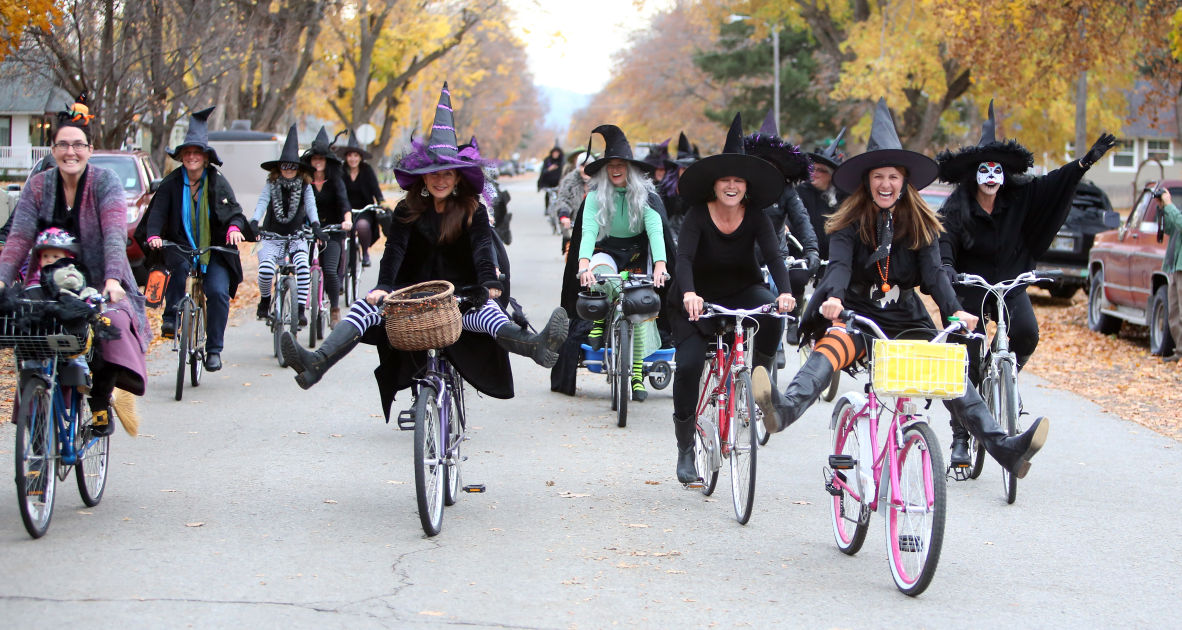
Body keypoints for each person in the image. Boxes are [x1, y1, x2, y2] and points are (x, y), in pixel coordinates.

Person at [752, 98, 1049, 481]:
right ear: (867, 182)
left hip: (907, 318)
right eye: (878, 177)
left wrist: (955, 310)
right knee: (830, 350)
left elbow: (936, 274)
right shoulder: (848, 222)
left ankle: (1006, 449)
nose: (885, 184)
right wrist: (836, 300)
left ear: (904, 181)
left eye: (893, 177)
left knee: (952, 373)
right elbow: (839, 265)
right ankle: (782, 409)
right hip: (858, 313)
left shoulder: (922, 224)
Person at [279, 82, 568, 409]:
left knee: (489, 313)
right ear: (423, 177)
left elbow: (483, 251)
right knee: (364, 308)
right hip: (409, 297)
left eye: (447, 173)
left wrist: (488, 283)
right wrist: (383, 287)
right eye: (434, 173)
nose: (440, 179)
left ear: (458, 177)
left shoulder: (474, 210)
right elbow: (394, 252)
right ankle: (316, 363)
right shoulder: (406, 209)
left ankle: (537, 346)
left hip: (459, 298)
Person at [936, 99, 1115, 466]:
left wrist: (1084, 162)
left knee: (1028, 333)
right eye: (983, 170)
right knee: (962, 359)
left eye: (996, 170)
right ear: (974, 175)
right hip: (968, 290)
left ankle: (1005, 379)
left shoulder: (1019, 197)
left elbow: (1053, 185)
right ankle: (959, 436)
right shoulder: (957, 207)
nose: (990, 177)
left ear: (1004, 175)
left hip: (1009, 286)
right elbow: (943, 244)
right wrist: (948, 271)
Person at [0, 103, 149, 437]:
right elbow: (19, 237)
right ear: (52, 150)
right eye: (63, 145)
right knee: (28, 329)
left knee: (112, 324)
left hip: (99, 280)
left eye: (78, 145)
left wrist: (113, 280)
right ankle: (36, 422)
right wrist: (2, 278)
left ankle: (99, 401)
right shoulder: (38, 186)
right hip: (45, 281)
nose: (71, 151)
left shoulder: (105, 182)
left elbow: (113, 235)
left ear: (89, 150)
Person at [668, 113, 795, 483]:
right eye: (725, 179)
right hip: (696, 297)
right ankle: (685, 449)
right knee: (690, 365)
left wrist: (785, 292)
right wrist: (690, 293)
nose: (732, 186)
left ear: (746, 187)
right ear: (714, 184)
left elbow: (773, 256)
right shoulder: (697, 214)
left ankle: (761, 377)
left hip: (742, 289)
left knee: (772, 312)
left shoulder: (756, 215)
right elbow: (685, 258)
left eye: (738, 180)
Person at [142, 107, 250, 372]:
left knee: (216, 292)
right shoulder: (171, 183)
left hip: (214, 249)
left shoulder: (216, 181)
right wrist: (154, 235)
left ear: (204, 157)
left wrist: (234, 229)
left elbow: (234, 212)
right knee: (176, 269)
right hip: (180, 245)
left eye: (196, 153)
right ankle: (171, 318)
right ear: (182, 157)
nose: (191, 157)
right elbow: (156, 212)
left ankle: (213, 350)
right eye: (187, 153)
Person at [572, 124, 670, 403]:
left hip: (638, 254)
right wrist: (583, 264)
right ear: (604, 170)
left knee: (640, 307)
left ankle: (637, 376)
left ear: (631, 169)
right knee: (601, 275)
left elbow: (655, 230)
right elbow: (588, 231)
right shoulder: (594, 197)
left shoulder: (647, 197)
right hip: (606, 249)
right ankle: (601, 322)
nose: (616, 169)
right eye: (611, 165)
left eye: (621, 165)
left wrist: (660, 265)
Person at [744, 110, 820, 345]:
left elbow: (802, 220)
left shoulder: (787, 191)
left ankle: (786, 324)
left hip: (775, 254)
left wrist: (812, 250)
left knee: (787, 283)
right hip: (744, 254)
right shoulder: (740, 187)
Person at [251, 124, 321, 327]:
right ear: (278, 168)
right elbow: (262, 202)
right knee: (265, 270)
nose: (288, 170)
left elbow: (310, 206)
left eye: (292, 166)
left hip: (296, 237)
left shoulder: (305, 186)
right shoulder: (271, 184)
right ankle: (265, 301)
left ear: (298, 168)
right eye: (284, 166)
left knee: (302, 267)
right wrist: (254, 221)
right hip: (271, 237)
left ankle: (299, 310)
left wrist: (315, 225)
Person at [302, 127, 352, 326]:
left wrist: (347, 220)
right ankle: (300, 307)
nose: (317, 162)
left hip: (333, 232)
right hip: (309, 232)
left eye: (321, 159)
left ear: (327, 161)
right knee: (301, 268)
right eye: (314, 159)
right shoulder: (304, 181)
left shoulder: (335, 181)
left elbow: (344, 203)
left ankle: (334, 308)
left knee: (330, 270)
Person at [796, 129, 848, 260]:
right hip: (806, 257)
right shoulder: (801, 192)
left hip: (837, 258)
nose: (814, 173)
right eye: (812, 168)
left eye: (821, 170)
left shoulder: (844, 197)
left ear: (831, 175)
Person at [336, 131, 385, 268]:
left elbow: (376, 189)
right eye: (350, 155)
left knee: (362, 226)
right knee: (342, 233)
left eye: (356, 155)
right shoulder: (340, 170)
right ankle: (342, 262)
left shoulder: (367, 170)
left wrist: (381, 202)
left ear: (360, 157)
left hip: (364, 209)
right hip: (344, 210)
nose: (353, 159)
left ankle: (365, 252)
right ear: (346, 157)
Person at [1157, 189, 1182, 362]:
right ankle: (1180, 352)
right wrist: (1163, 208)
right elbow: (1171, 229)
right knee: (1174, 313)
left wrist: (1170, 204)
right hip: (1175, 265)